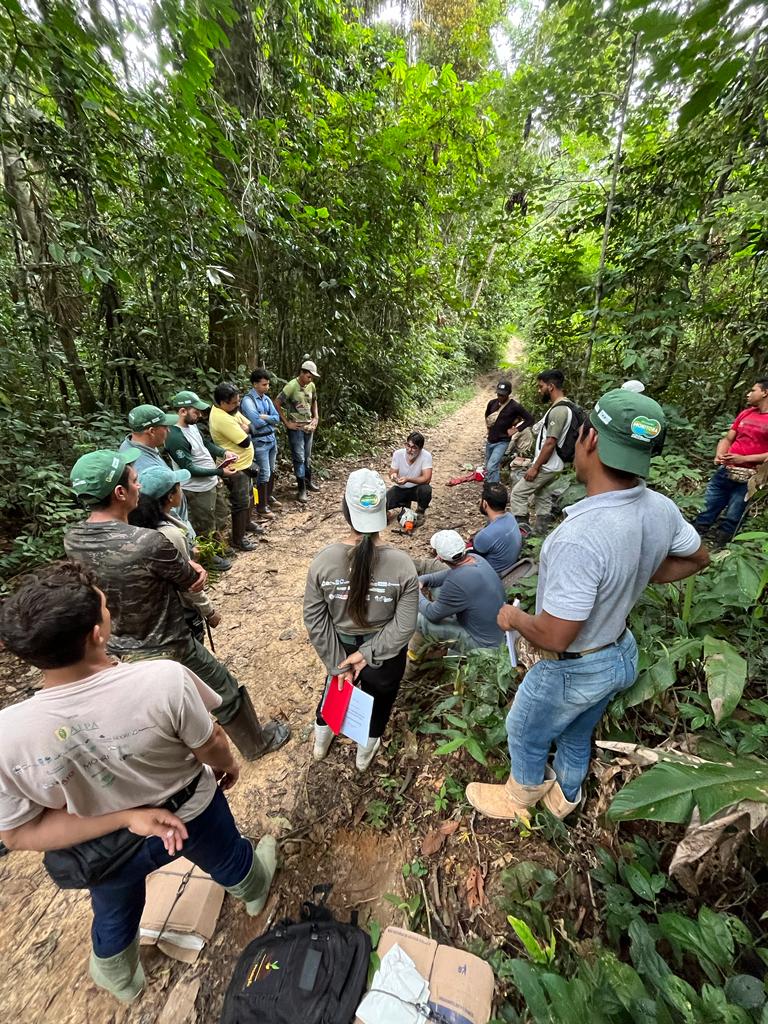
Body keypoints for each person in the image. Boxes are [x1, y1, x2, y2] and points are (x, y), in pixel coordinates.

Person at [0, 562, 279, 1002]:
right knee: (226, 852)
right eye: (105, 606)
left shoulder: (7, 735)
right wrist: (228, 765)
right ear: (97, 633)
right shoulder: (162, 680)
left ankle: (120, 977)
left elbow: (18, 834)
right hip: (190, 811)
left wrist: (126, 818)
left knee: (114, 907)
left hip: (100, 847)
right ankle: (254, 891)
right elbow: (211, 742)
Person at [466, 389, 710, 823]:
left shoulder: (579, 536)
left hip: (577, 666)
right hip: (620, 654)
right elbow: (698, 557)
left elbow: (556, 636)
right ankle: (567, 795)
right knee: (578, 730)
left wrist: (514, 617)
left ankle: (520, 797)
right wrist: (639, 570)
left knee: (523, 728)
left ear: (591, 439)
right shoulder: (661, 508)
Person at [64, 448, 289, 760]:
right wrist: (196, 569)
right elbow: (191, 580)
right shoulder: (148, 542)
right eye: (134, 481)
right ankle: (256, 744)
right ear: (119, 493)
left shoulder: (74, 538)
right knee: (224, 690)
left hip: (117, 645)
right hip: (167, 641)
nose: (139, 487)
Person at [304, 469, 418, 771]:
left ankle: (321, 743)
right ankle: (364, 757)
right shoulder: (403, 565)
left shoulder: (323, 561)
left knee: (336, 689)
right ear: (385, 513)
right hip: (385, 654)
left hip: (340, 648)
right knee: (380, 700)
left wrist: (337, 663)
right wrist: (367, 654)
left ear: (345, 510)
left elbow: (315, 620)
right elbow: (404, 626)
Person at [129, 465, 221, 641]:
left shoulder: (139, 523)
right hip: (179, 614)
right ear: (170, 496)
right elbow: (187, 583)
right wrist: (209, 612)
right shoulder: (169, 534)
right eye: (179, 486)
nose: (181, 491)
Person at [694, 379, 768, 545]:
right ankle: (694, 540)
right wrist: (720, 454)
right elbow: (728, 439)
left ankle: (721, 547)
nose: (748, 394)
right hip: (726, 470)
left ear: (765, 392)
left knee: (734, 514)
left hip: (751, 477)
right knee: (708, 506)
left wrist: (744, 459)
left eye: (753, 390)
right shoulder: (746, 413)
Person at [166, 389, 238, 548]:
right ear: (182, 411)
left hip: (211, 482)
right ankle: (210, 555)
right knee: (205, 524)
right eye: (195, 411)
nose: (199, 415)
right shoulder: (175, 437)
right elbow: (189, 469)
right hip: (196, 489)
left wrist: (224, 452)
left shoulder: (191, 426)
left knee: (220, 515)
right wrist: (221, 472)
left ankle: (220, 547)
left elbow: (204, 443)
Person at [415, 530, 506, 652]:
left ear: (440, 558)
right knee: (437, 589)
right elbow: (439, 577)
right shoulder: (476, 559)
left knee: (420, 621)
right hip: (496, 633)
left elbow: (432, 614)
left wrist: (415, 591)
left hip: (484, 645)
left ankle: (417, 658)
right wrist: (420, 580)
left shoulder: (457, 580)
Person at [509, 369, 573, 535]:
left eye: (541, 386)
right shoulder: (564, 406)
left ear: (550, 387)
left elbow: (550, 442)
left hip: (547, 465)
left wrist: (535, 467)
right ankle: (541, 532)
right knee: (542, 494)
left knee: (518, 494)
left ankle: (521, 533)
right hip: (554, 464)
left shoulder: (559, 410)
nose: (539, 390)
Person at [208, 382, 263, 551]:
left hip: (245, 463)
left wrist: (247, 428)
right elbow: (245, 441)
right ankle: (238, 539)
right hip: (235, 467)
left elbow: (252, 426)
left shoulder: (230, 410)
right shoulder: (222, 418)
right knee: (240, 502)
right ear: (222, 402)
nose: (238, 405)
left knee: (249, 496)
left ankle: (247, 523)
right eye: (234, 402)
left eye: (238, 401)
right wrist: (247, 430)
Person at [275, 359, 320, 503]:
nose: (310, 379)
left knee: (307, 456)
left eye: (312, 377)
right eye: (308, 376)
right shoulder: (291, 386)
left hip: (308, 426)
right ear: (302, 373)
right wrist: (287, 423)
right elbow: (277, 403)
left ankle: (308, 481)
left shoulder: (311, 386)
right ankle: (301, 489)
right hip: (296, 428)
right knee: (299, 458)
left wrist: (316, 417)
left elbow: (314, 401)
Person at [240, 368, 282, 522]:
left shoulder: (266, 399)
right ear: (255, 384)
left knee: (271, 470)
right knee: (263, 473)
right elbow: (256, 422)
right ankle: (261, 506)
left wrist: (265, 417)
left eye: (268, 384)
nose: (267, 387)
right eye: (264, 384)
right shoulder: (248, 401)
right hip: (259, 442)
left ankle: (268, 497)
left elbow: (277, 418)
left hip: (271, 439)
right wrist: (268, 419)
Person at [484, 381, 533, 483]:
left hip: (502, 442)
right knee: (490, 467)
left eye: (503, 395)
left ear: (508, 393)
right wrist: (489, 429)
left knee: (491, 466)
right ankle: (491, 486)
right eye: (498, 394)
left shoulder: (515, 406)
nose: (500, 397)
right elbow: (487, 415)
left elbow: (530, 419)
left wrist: (516, 429)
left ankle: (493, 487)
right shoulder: (492, 403)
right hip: (490, 441)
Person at [469, 482, 522, 576]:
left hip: (490, 576)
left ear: (485, 503)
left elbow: (473, 556)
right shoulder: (510, 517)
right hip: (508, 569)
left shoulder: (485, 535)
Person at [386, 432, 433, 523]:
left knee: (426, 489)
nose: (410, 450)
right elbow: (392, 472)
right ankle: (403, 504)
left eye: (414, 447)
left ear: (420, 449)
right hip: (400, 489)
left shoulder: (426, 456)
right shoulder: (398, 454)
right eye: (408, 446)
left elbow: (427, 479)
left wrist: (408, 479)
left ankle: (420, 511)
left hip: (416, 488)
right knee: (384, 503)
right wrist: (394, 477)